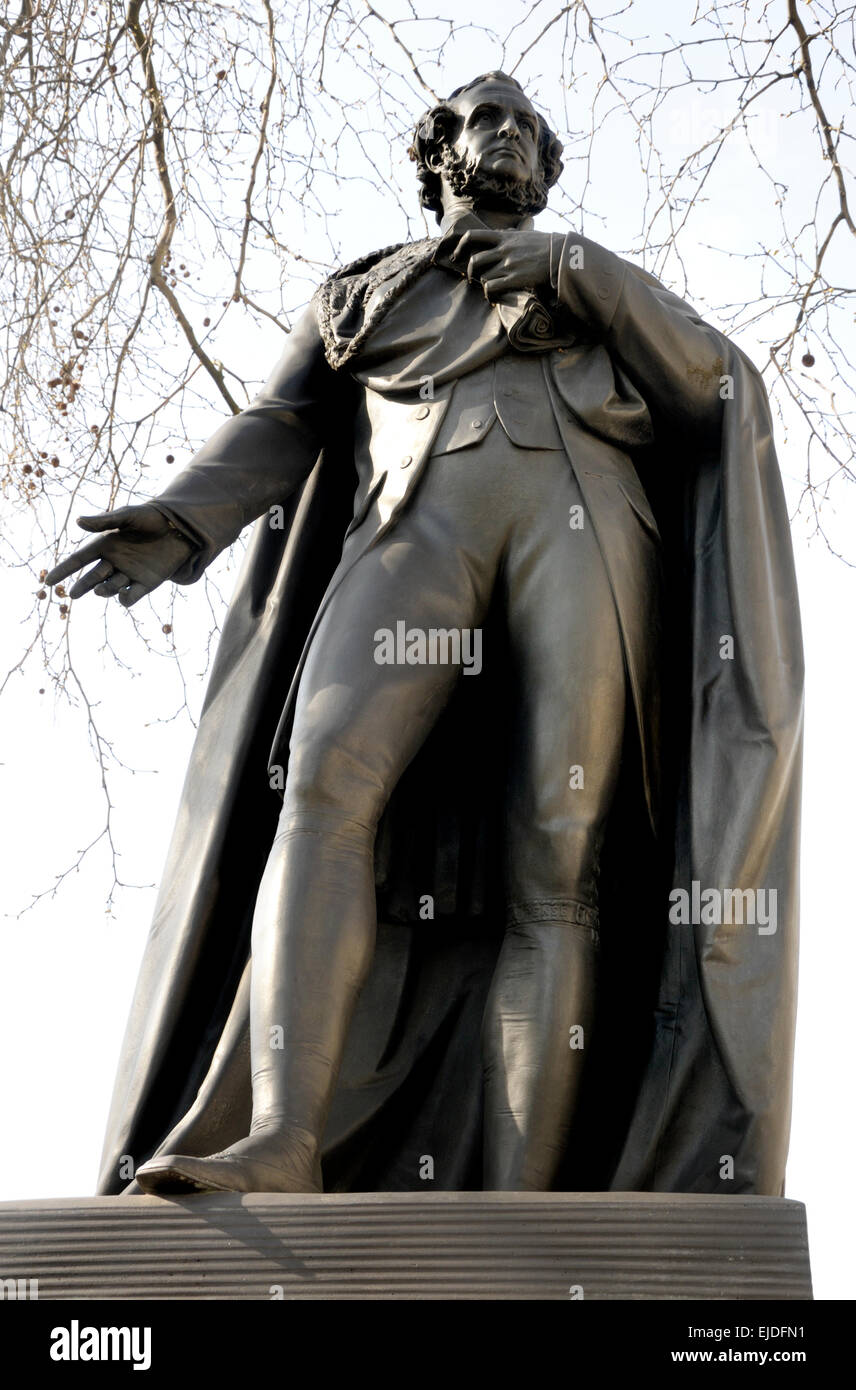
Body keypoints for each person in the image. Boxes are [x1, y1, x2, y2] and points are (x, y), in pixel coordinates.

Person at [48, 73, 803, 1199]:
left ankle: (523, 1195)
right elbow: (285, 420)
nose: (511, 135)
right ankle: (283, 1135)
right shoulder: (362, 294)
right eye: (485, 116)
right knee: (323, 785)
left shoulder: (597, 287)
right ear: (440, 149)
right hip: (413, 531)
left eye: (530, 129)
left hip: (584, 536)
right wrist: (182, 520)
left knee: (561, 854)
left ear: (547, 174)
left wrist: (581, 273)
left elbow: (719, 391)